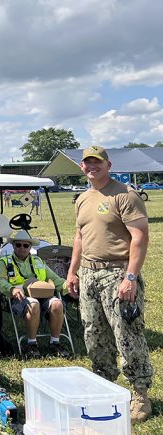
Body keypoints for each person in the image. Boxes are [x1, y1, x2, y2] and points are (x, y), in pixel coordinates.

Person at [66, 146, 153, 423]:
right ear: (82, 167)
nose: (92, 167)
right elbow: (80, 237)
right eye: (87, 163)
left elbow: (140, 237)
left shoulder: (125, 195)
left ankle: (140, 395)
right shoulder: (82, 198)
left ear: (108, 165)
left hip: (117, 273)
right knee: (94, 334)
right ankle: (104, 386)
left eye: (98, 162)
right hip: (89, 274)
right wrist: (72, 272)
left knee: (127, 334)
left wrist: (131, 277)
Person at [0, 230, 69, 358]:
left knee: (57, 304)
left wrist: (69, 286)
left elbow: (55, 279)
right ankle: (32, 344)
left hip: (43, 295)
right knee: (33, 304)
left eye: (25, 245)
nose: (22, 248)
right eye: (18, 245)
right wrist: (12, 289)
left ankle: (55, 343)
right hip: (19, 297)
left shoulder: (38, 261)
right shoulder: (4, 262)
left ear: (30, 247)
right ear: (13, 246)